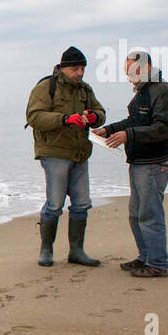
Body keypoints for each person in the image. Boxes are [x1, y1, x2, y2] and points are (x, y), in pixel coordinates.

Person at [91, 51, 168, 277]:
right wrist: (108, 130)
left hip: (153, 163)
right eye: (128, 73)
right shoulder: (143, 92)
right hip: (138, 162)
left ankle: (158, 264)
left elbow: (163, 128)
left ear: (148, 67)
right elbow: (133, 121)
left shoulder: (163, 91)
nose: (131, 77)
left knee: (150, 214)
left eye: (135, 71)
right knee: (136, 214)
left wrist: (128, 135)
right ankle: (145, 257)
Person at [24, 46, 107, 267]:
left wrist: (92, 117)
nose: (79, 73)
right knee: (55, 204)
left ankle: (77, 252)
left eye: (82, 68)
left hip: (80, 154)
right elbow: (34, 116)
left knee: (82, 204)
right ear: (63, 68)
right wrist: (65, 119)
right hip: (54, 154)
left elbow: (101, 114)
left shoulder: (85, 90)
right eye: (75, 68)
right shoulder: (45, 88)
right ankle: (46, 251)